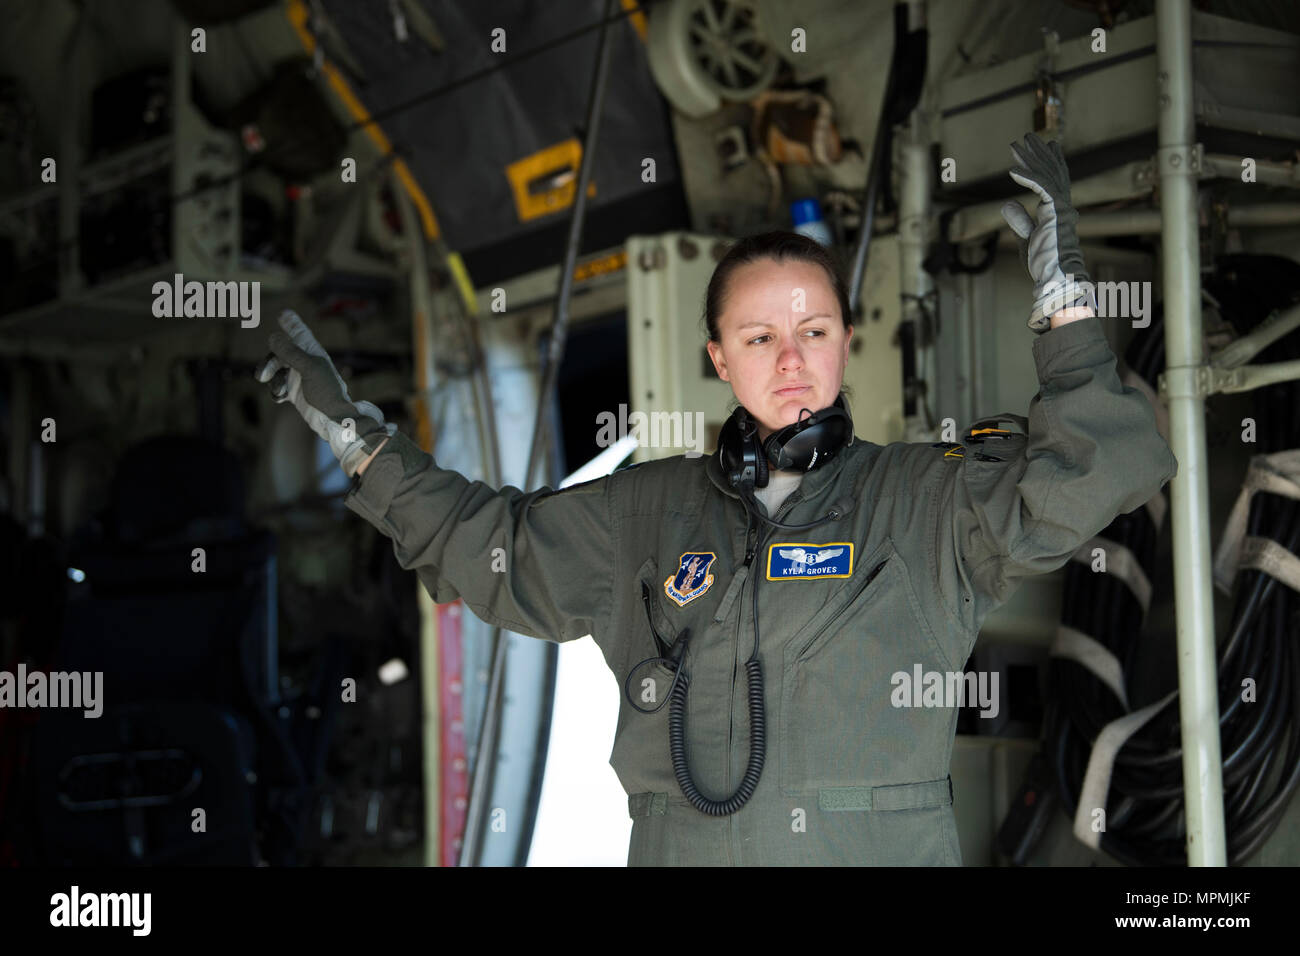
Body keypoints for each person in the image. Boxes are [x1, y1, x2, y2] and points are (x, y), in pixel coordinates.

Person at [257, 132, 1178, 865]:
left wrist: (1063, 299)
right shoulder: (644, 512)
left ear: (846, 341)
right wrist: (360, 444)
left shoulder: (928, 498)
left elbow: (1099, 470)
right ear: (718, 359)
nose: (790, 358)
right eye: (759, 335)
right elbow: (487, 548)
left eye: (813, 329)